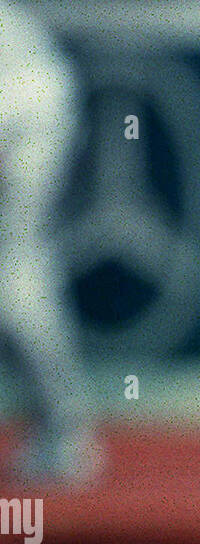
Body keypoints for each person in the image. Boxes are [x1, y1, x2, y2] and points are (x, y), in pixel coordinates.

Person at [0, 0, 101, 486]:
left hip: (28, 117)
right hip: (34, 101)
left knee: (16, 279)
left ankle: (65, 433)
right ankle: (62, 431)